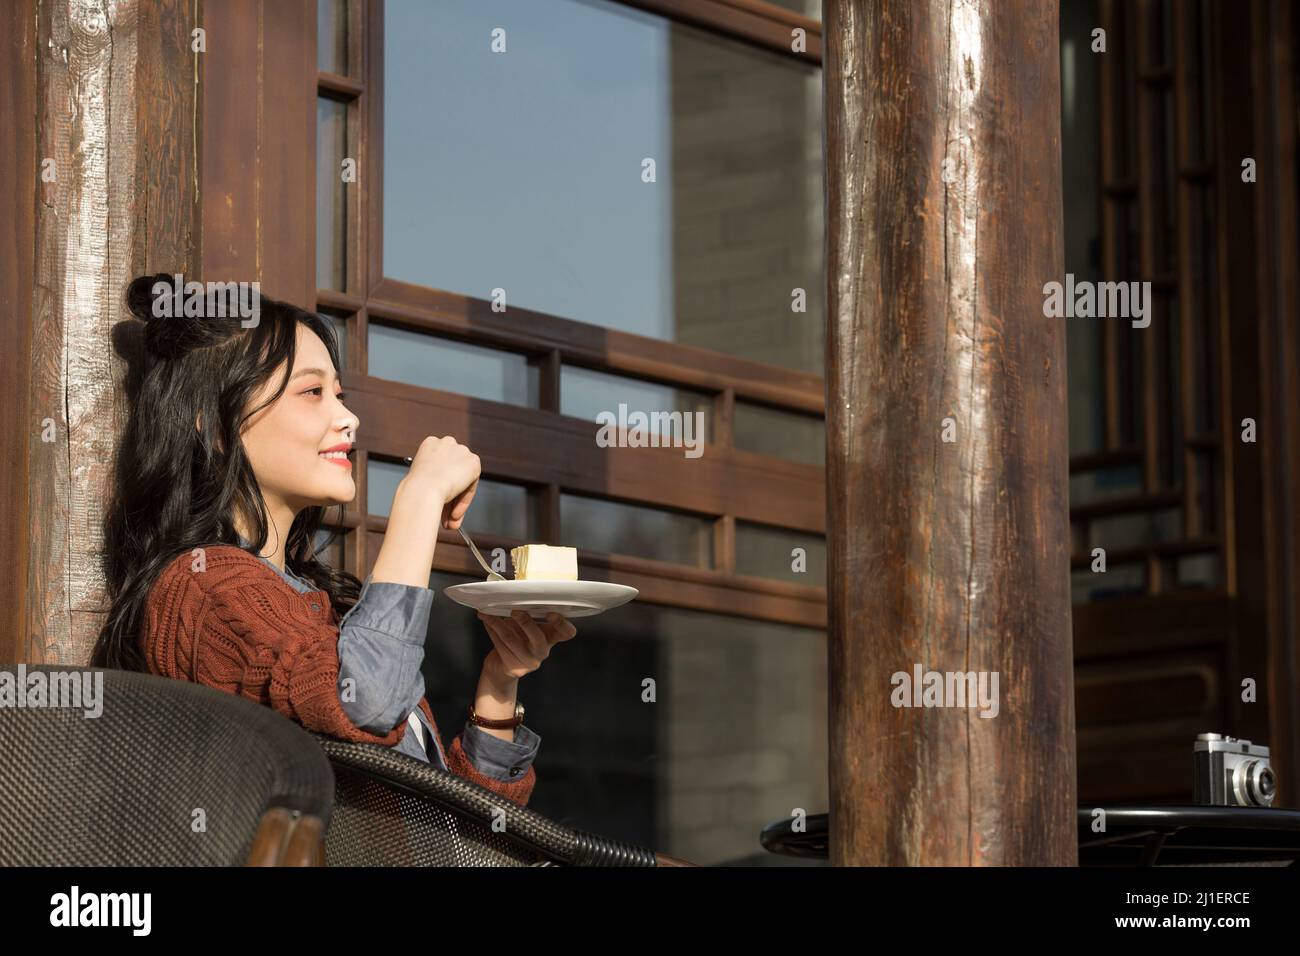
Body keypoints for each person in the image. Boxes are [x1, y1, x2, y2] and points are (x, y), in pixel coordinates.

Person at [92, 274, 576, 807]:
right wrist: (417, 501)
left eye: (339, 395)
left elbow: (456, 835)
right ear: (216, 427)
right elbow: (364, 704)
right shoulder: (202, 589)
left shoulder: (330, 614)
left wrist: (497, 686)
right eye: (312, 392)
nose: (348, 418)